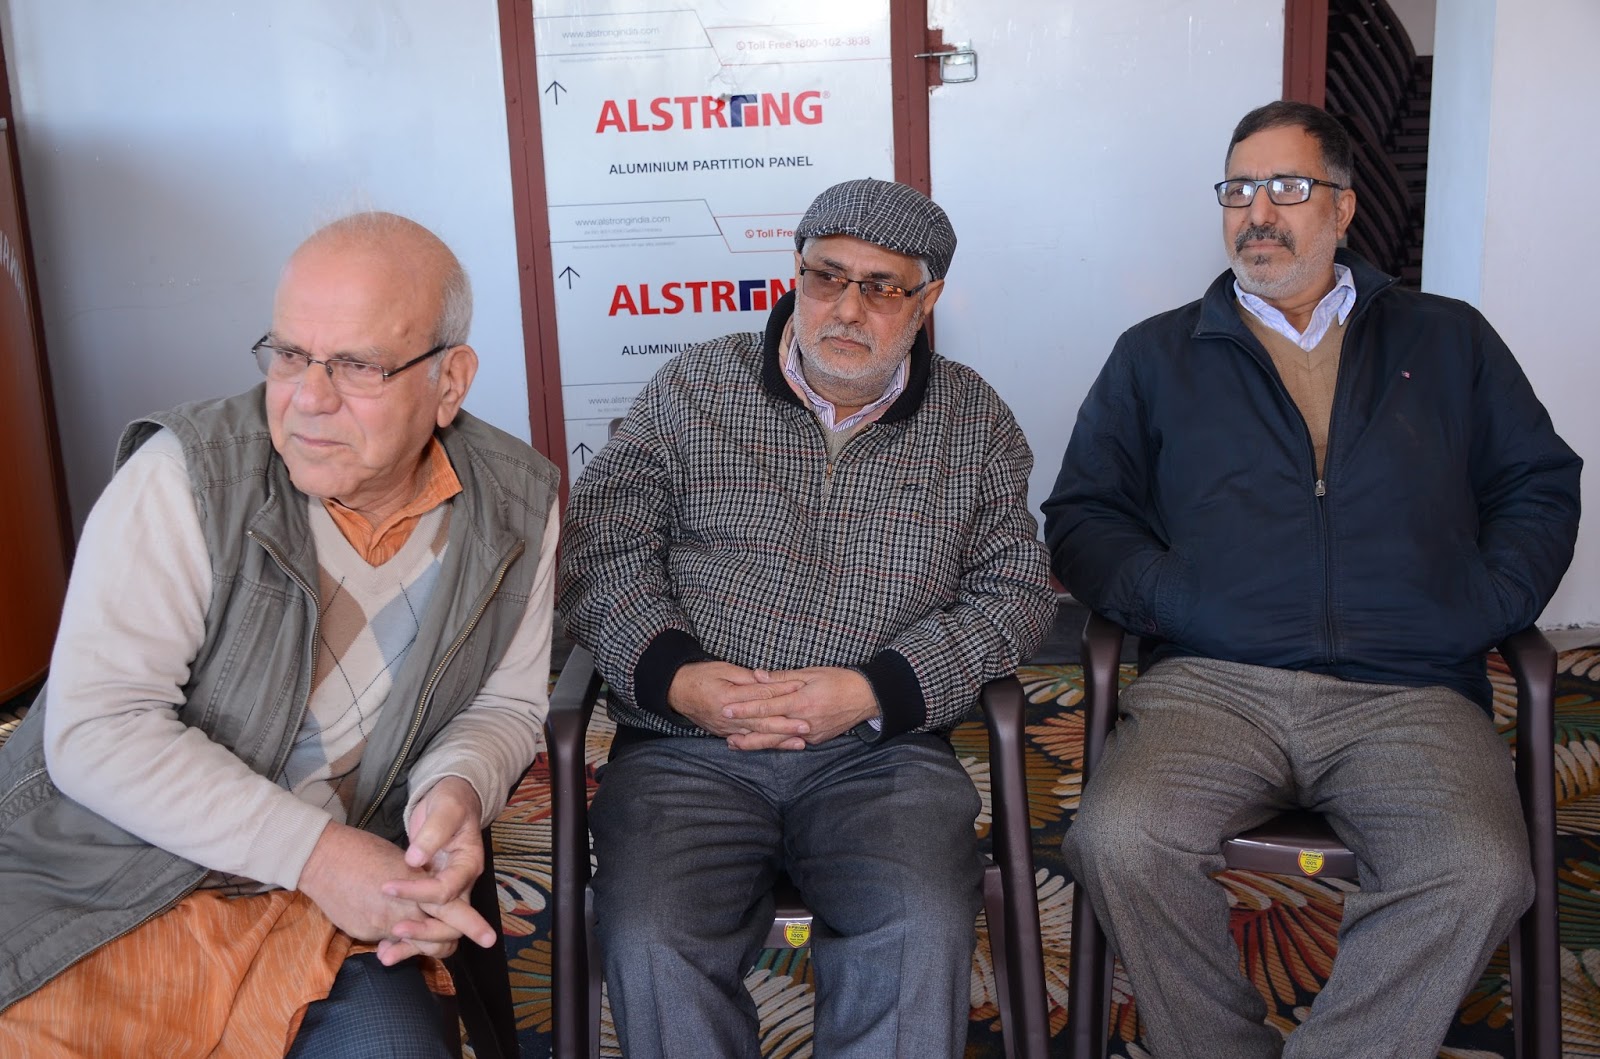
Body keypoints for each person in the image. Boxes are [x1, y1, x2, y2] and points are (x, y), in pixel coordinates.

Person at [1043, 99, 1582, 1058]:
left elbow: (1538, 483)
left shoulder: (1447, 339)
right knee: (1120, 840)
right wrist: (1177, 602)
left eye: (1288, 188)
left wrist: (1480, 603)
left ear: (1343, 208)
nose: (1259, 213)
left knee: (1478, 869)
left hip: (1406, 688)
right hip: (1214, 684)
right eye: (1239, 189)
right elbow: (1084, 514)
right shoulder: (1157, 354)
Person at [0, 212, 561, 1058]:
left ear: (451, 381)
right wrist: (322, 856)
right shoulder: (186, 477)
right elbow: (98, 727)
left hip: (335, 905)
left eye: (357, 365)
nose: (308, 398)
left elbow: (507, 703)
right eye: (291, 354)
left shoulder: (520, 502)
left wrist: (456, 788)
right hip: (115, 874)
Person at [558, 177, 1055, 1058]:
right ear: (794, 273)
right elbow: (602, 547)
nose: (846, 307)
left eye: (882, 286)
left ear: (927, 299)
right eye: (827, 276)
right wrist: (676, 676)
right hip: (689, 749)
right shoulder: (695, 388)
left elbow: (1013, 593)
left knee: (916, 927)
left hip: (879, 751)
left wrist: (876, 688)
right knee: (654, 936)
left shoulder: (974, 421)